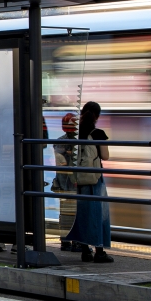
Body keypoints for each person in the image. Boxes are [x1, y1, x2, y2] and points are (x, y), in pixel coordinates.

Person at [64, 101, 113, 263]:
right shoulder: (98, 133)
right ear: (97, 116)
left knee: (83, 213)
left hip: (78, 179)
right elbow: (105, 156)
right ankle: (99, 251)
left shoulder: (76, 133)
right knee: (99, 214)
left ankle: (85, 251)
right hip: (94, 179)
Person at [52, 112, 79, 251]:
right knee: (74, 212)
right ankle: (73, 240)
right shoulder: (77, 142)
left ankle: (65, 240)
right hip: (72, 182)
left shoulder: (59, 142)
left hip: (63, 182)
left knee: (65, 212)